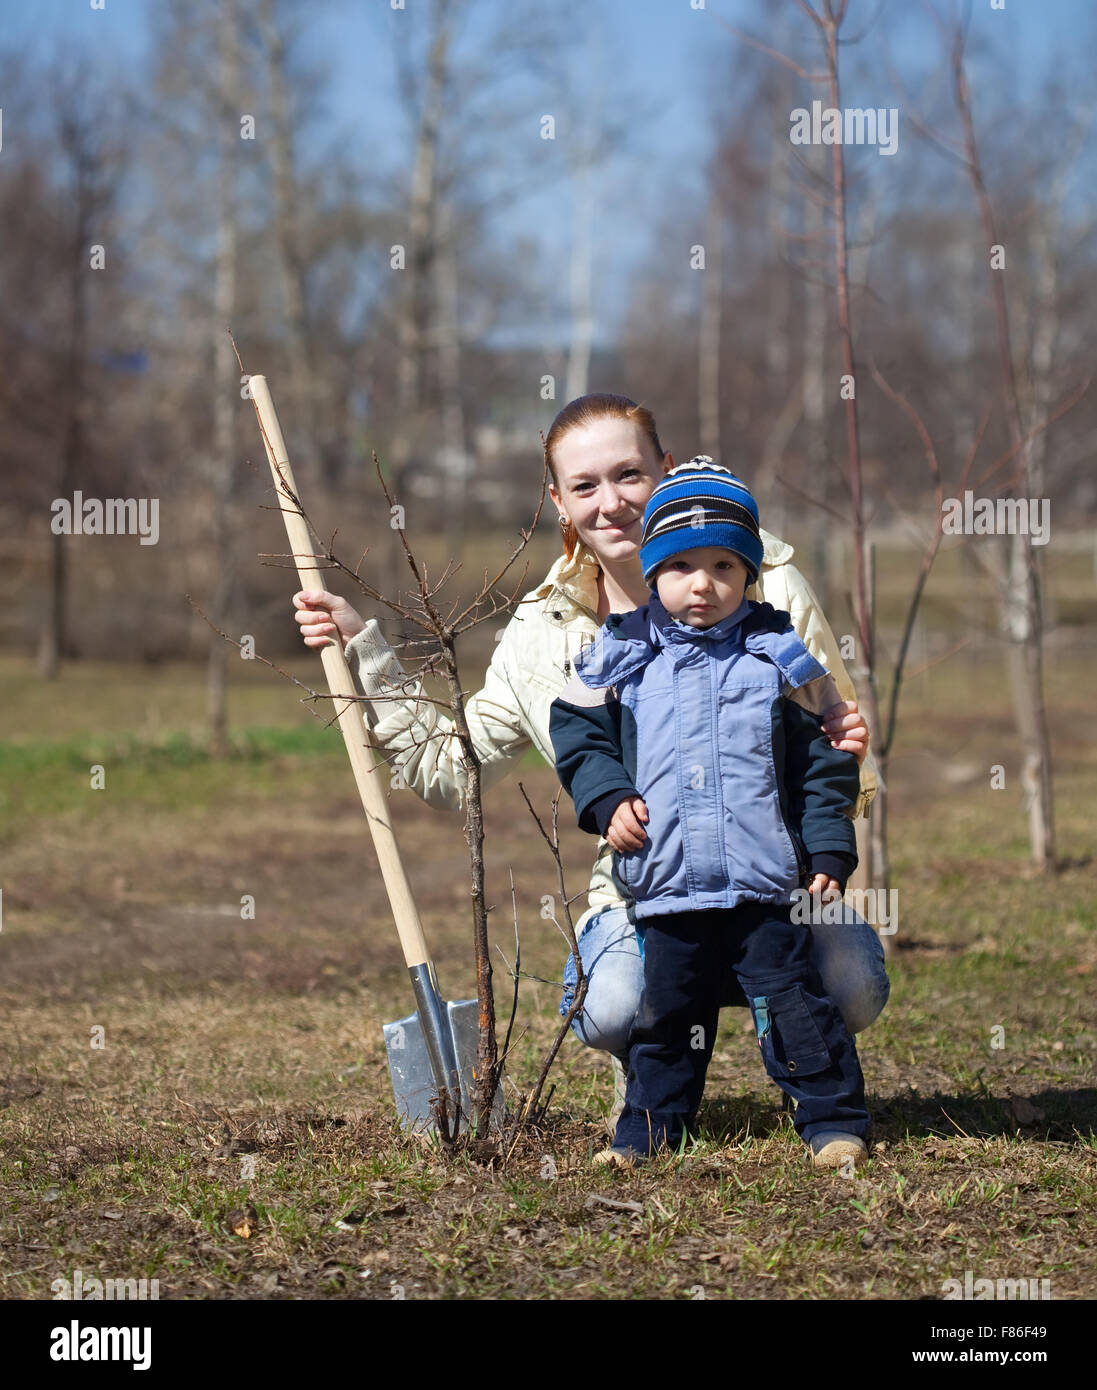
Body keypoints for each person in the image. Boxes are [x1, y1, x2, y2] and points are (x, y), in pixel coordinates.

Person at [291, 393, 887, 1134]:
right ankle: (650, 1076)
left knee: (852, 983)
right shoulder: (543, 633)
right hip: (647, 889)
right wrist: (363, 650)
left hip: (771, 874)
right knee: (611, 1009)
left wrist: (823, 832)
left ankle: (809, 1074)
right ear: (558, 502)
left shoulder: (770, 586)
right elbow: (451, 765)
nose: (610, 503)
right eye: (584, 486)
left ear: (665, 470)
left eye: (629, 474)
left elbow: (831, 738)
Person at [550, 459, 870, 1170]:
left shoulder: (779, 655)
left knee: (795, 1004)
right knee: (665, 1015)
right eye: (682, 565)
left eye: (725, 565)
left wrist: (826, 851)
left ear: (748, 573)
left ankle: (831, 1122)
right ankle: (646, 1133)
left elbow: (824, 763)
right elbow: (575, 733)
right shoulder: (622, 652)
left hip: (764, 883)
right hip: (664, 879)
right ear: (653, 568)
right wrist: (605, 798)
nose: (703, 584)